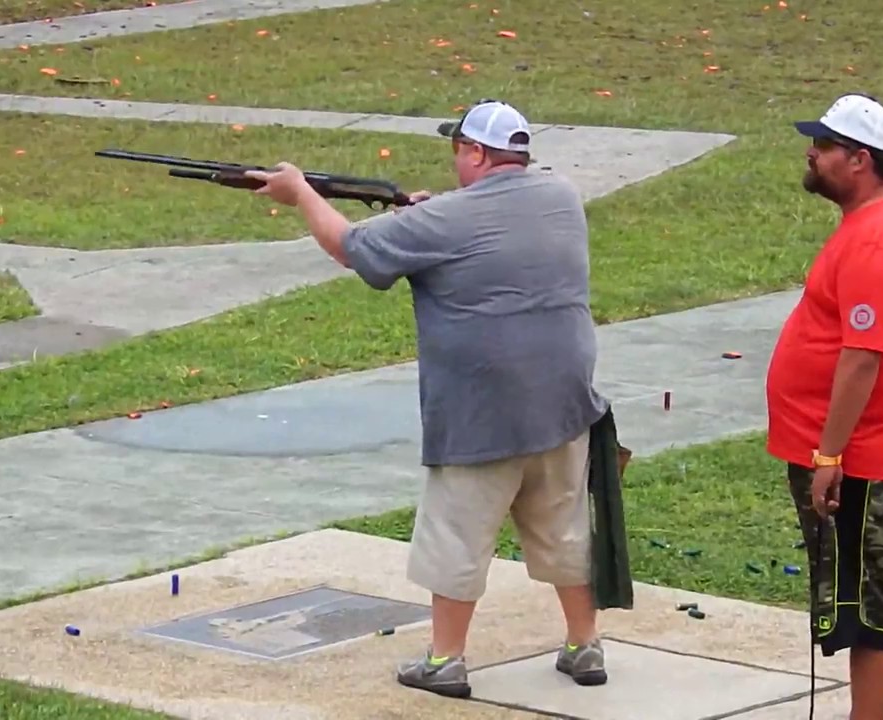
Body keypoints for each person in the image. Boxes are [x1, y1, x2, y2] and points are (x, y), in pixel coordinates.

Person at [245, 99, 613, 699]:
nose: (454, 160)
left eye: (458, 149)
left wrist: (302, 193)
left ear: (476, 153)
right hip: (563, 400)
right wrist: (431, 212)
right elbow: (483, 229)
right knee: (563, 526)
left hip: (481, 411)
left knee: (456, 537)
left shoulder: (446, 219)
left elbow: (353, 248)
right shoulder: (561, 197)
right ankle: (584, 643)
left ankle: (445, 660)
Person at [764, 93, 883, 720]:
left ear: (860, 160)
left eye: (824, 145)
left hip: (860, 462)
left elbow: (863, 356)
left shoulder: (878, 240)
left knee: (873, 607)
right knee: (860, 600)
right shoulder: (879, 222)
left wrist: (828, 454)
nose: (811, 153)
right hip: (857, 457)